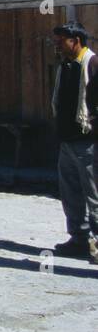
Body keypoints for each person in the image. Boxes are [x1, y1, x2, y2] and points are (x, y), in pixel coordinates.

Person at [51, 22, 98, 261]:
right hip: (68, 140)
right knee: (70, 193)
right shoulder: (66, 66)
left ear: (76, 41)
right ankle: (79, 239)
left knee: (94, 194)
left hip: (88, 141)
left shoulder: (92, 63)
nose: (58, 46)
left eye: (62, 41)